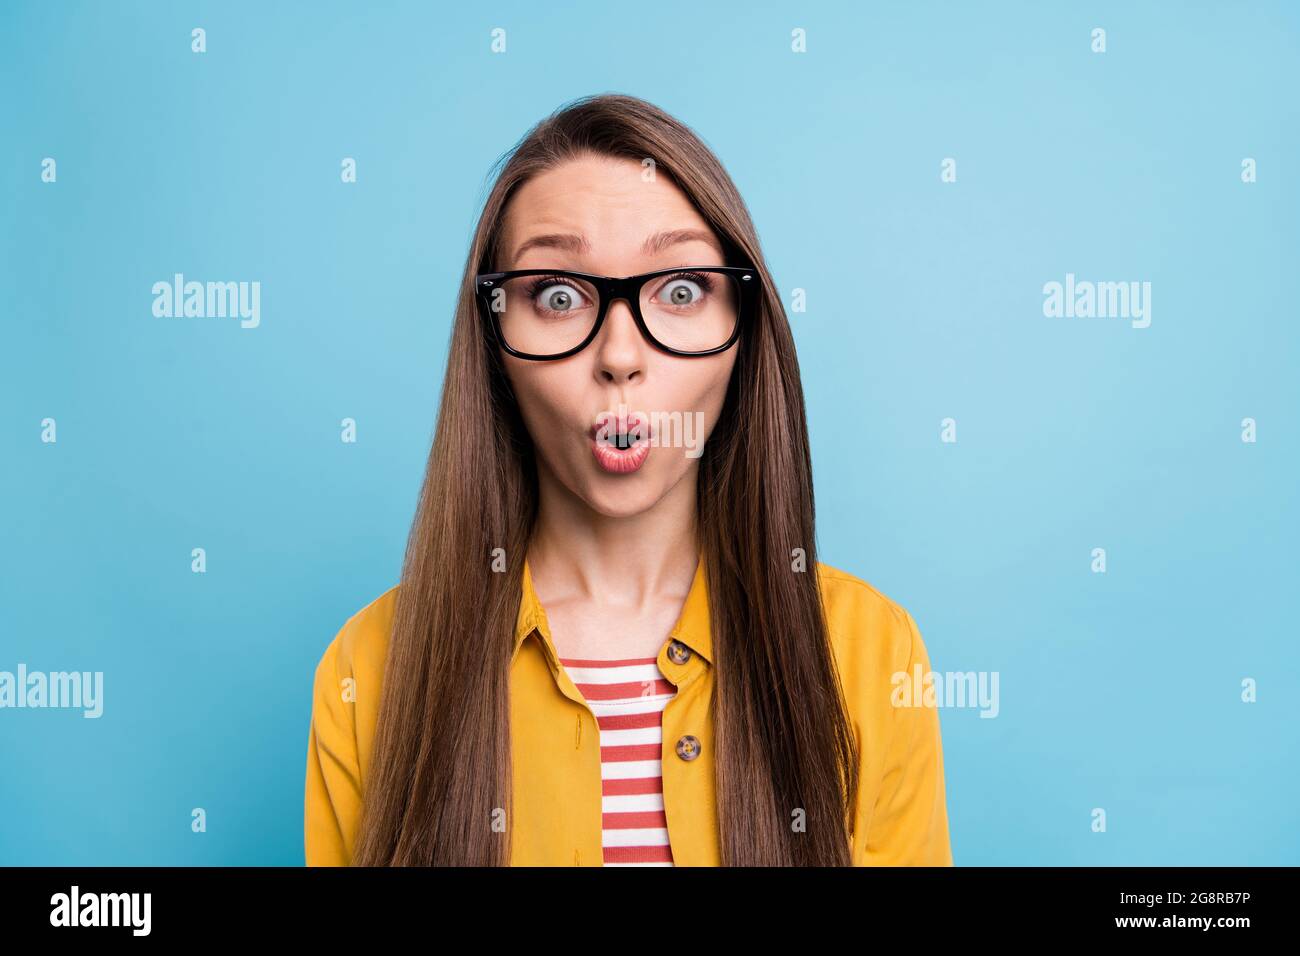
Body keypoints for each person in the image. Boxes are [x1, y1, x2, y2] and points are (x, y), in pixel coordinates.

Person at [305, 93, 953, 867]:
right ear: (493, 346)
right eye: (557, 295)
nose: (619, 355)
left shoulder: (871, 653)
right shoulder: (370, 668)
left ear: (744, 333)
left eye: (679, 291)